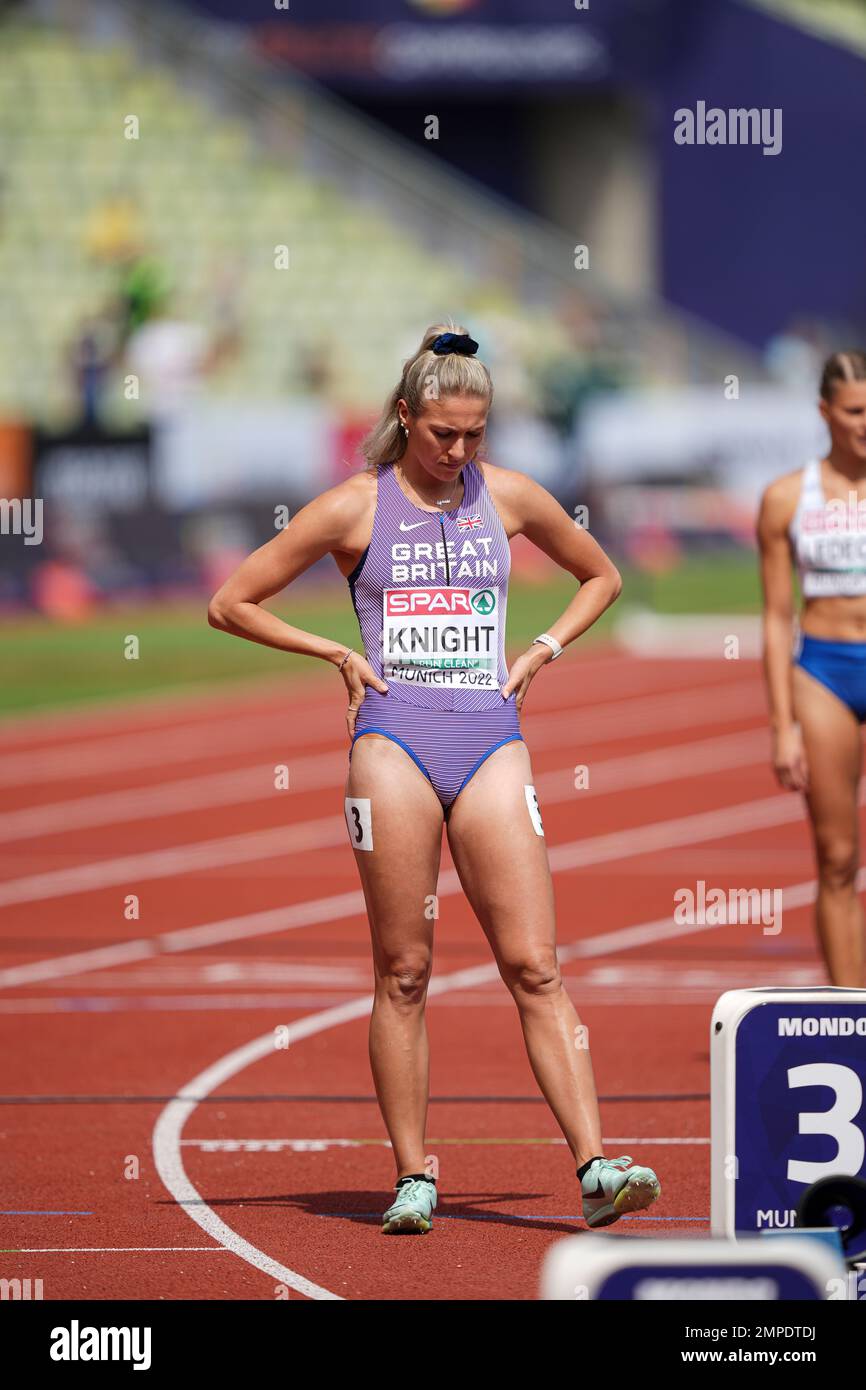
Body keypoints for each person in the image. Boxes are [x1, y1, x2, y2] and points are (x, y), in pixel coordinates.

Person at [208, 321, 661, 1233]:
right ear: (405, 417)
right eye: (442, 433)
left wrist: (540, 650)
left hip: (491, 740)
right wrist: (332, 649)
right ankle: (414, 1176)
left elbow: (601, 577)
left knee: (535, 965)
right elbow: (230, 602)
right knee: (404, 970)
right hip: (394, 745)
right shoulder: (355, 508)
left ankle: (595, 1167)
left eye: (476, 434)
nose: (459, 450)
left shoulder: (512, 496)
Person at [757, 349, 866, 989]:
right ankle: (851, 1015)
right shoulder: (784, 499)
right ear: (825, 411)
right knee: (837, 855)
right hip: (823, 670)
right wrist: (782, 726)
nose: (865, 423)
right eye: (854, 412)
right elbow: (775, 617)